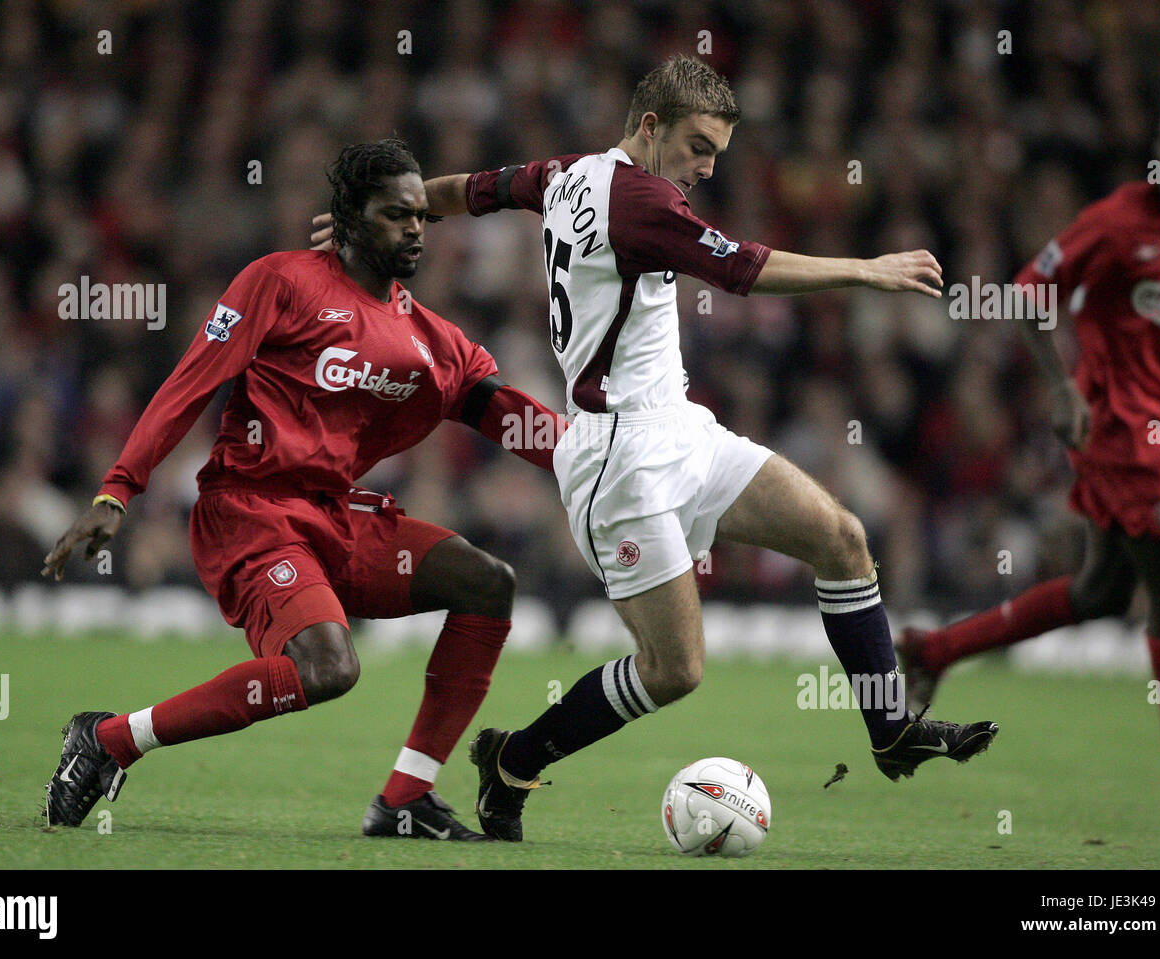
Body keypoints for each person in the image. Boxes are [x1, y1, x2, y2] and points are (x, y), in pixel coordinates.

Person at [315, 55, 997, 843]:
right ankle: (514, 757)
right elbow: (744, 268)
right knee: (675, 671)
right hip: (620, 460)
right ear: (649, 128)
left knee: (842, 537)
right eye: (698, 147)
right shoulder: (639, 199)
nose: (705, 168)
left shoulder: (565, 173)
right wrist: (866, 270)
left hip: (681, 428)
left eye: (716, 154)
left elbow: (463, 192)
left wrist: (383, 213)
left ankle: (891, 730)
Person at [42, 139, 564, 839]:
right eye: (394, 215)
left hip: (334, 518)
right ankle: (109, 740)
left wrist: (605, 464)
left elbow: (510, 419)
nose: (413, 228)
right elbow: (190, 382)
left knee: (486, 583)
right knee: (326, 666)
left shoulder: (432, 341)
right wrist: (117, 491)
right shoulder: (280, 283)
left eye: (419, 216)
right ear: (347, 219)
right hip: (251, 510)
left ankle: (406, 797)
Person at [898, 100, 1160, 814]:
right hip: (1117, 432)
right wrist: (1064, 388)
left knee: (1101, 590)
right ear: (1156, 153)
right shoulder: (1118, 221)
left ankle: (937, 649)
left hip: (1159, 427)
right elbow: (1024, 292)